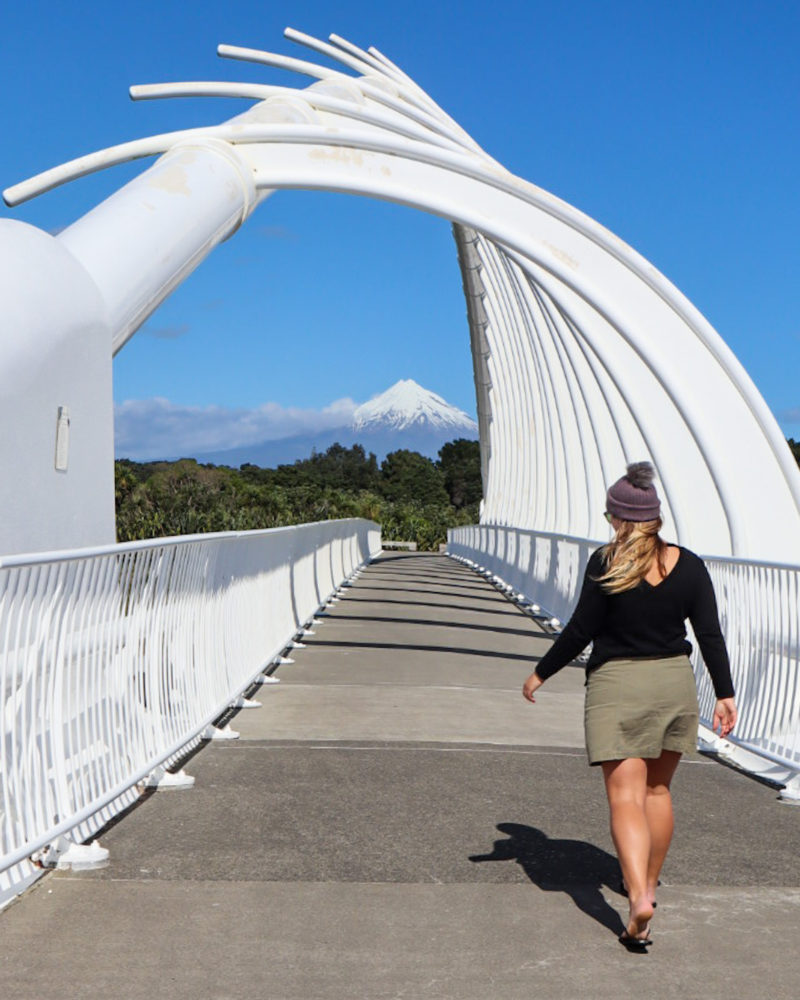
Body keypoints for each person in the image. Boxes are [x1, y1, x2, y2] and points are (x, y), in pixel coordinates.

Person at [521, 462, 737, 950]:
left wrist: (540, 673)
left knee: (625, 798)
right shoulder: (690, 565)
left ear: (620, 518)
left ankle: (636, 896)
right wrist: (724, 693)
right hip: (674, 685)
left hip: (619, 686)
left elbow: (581, 630)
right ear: (655, 518)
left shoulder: (607, 563)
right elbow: (708, 635)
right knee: (658, 793)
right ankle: (650, 888)